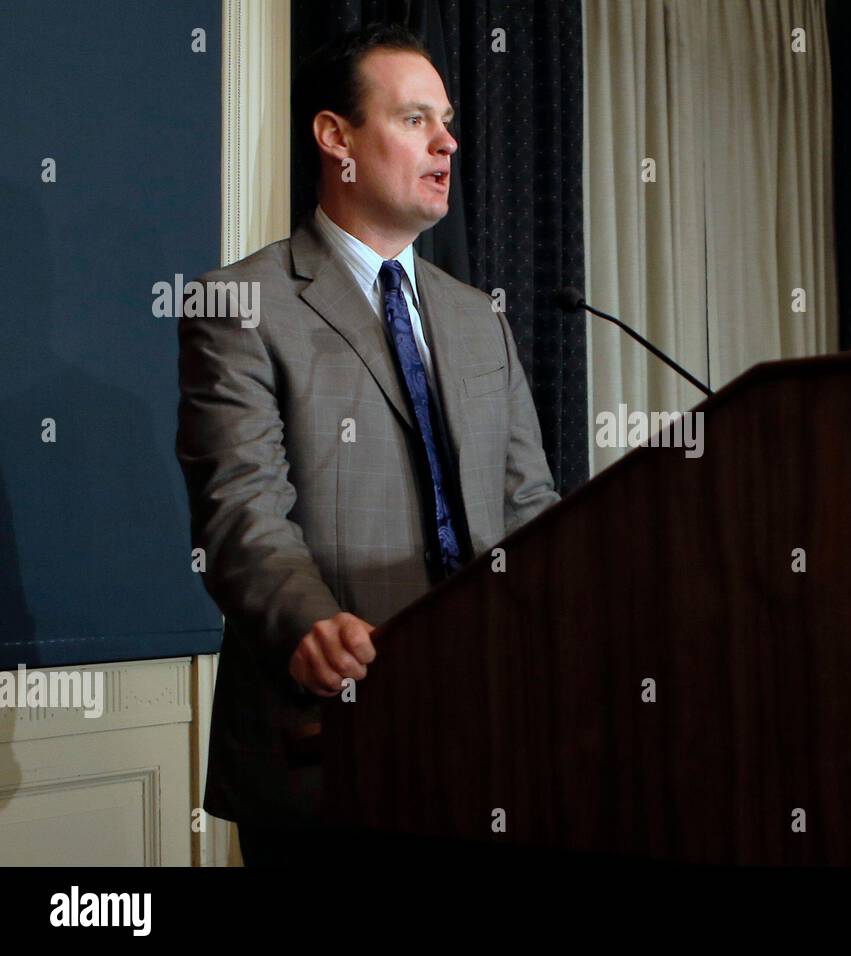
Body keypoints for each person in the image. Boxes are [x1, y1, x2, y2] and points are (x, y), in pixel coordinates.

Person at [175, 22, 561, 864]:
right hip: (327, 745)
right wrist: (312, 623)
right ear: (335, 137)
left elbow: (530, 506)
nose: (449, 141)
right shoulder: (240, 304)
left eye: (448, 120)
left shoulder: (475, 316)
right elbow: (243, 513)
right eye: (417, 119)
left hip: (492, 740)